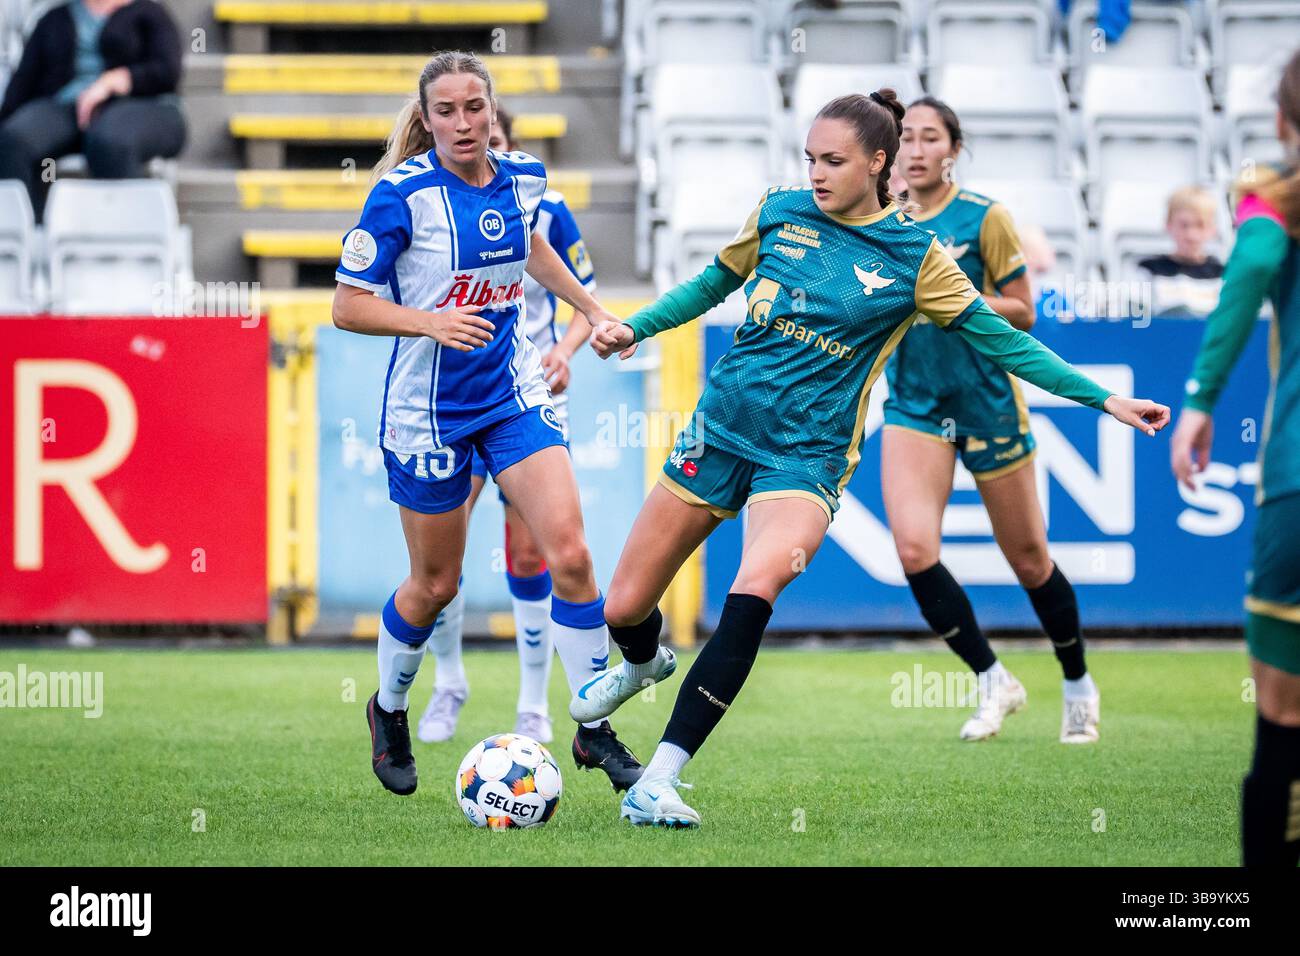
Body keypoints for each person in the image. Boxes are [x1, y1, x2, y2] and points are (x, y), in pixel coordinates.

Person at [576, 90, 1169, 828]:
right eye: (810, 159)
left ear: (877, 163)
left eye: (834, 161)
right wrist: (636, 328)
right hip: (718, 431)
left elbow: (1006, 338)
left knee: (755, 586)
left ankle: (659, 778)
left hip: (807, 458)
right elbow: (712, 284)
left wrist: (1102, 401)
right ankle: (641, 663)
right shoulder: (778, 211)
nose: (817, 174)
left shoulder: (919, 257)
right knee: (625, 608)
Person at [332, 50, 640, 797]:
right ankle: (391, 708)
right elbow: (348, 305)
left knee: (569, 555)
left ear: (491, 110)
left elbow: (531, 246)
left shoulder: (524, 178)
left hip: (513, 394)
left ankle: (592, 728)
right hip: (428, 415)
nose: (464, 122)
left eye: (476, 107)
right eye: (447, 111)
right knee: (434, 584)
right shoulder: (400, 196)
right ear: (426, 117)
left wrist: (592, 310)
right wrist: (429, 322)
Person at [884, 96, 1102, 744]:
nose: (916, 150)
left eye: (929, 138)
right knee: (915, 551)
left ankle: (1076, 682)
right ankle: (992, 679)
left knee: (1030, 559)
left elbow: (1025, 311)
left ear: (953, 149)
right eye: (906, 139)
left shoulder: (985, 218)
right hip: (914, 405)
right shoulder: (882, 223)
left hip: (988, 402)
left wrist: (961, 300)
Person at [415, 104, 601, 752]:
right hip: (452, 401)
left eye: (493, 138)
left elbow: (583, 297)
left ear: (511, 147)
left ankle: (533, 706)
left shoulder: (543, 208)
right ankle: (449, 682)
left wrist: (566, 350)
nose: (478, 146)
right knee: (445, 554)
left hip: (527, 398)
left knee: (534, 552)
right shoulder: (428, 205)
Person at [1170, 48, 1300, 868]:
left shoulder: (1274, 202)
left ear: (1285, 124)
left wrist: (1200, 400)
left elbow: (1249, 268)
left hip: (1295, 478)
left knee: (1281, 703)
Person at [0, 0, 186, 220]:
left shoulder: (149, 13)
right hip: (66, 108)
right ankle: (31, 235)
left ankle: (126, 235)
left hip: (140, 105)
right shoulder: (54, 19)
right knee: (13, 141)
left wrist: (114, 82)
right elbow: (23, 83)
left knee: (110, 142)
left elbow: (168, 70)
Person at [1138, 185, 1225, 317]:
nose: (1191, 234)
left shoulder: (1223, 275)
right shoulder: (1148, 270)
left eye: (1200, 225)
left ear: (1212, 229)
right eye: (1184, 225)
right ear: (1168, 224)